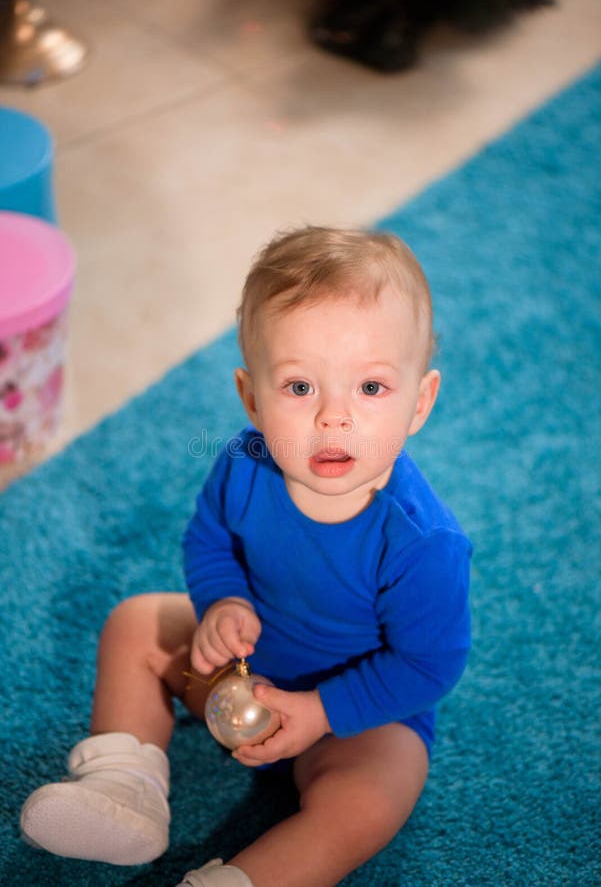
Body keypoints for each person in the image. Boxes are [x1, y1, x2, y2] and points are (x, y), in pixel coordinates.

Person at [20, 226, 472, 886]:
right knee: (134, 623)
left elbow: (428, 665)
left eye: (370, 388)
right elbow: (209, 541)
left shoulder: (424, 542)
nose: (333, 418)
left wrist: (321, 711)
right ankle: (125, 787)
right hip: (238, 674)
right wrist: (221, 604)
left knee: (376, 793)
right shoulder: (243, 465)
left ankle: (244, 879)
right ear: (252, 396)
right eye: (299, 387)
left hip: (352, 721)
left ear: (419, 402)